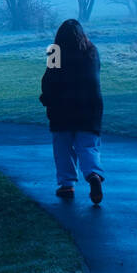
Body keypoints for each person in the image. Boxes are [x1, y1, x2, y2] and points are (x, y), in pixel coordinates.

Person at [40, 19, 106, 204]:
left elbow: (49, 79)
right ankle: (93, 174)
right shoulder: (92, 52)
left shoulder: (55, 52)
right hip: (90, 108)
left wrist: (46, 98)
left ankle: (67, 185)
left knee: (63, 147)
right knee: (88, 145)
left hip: (62, 108)